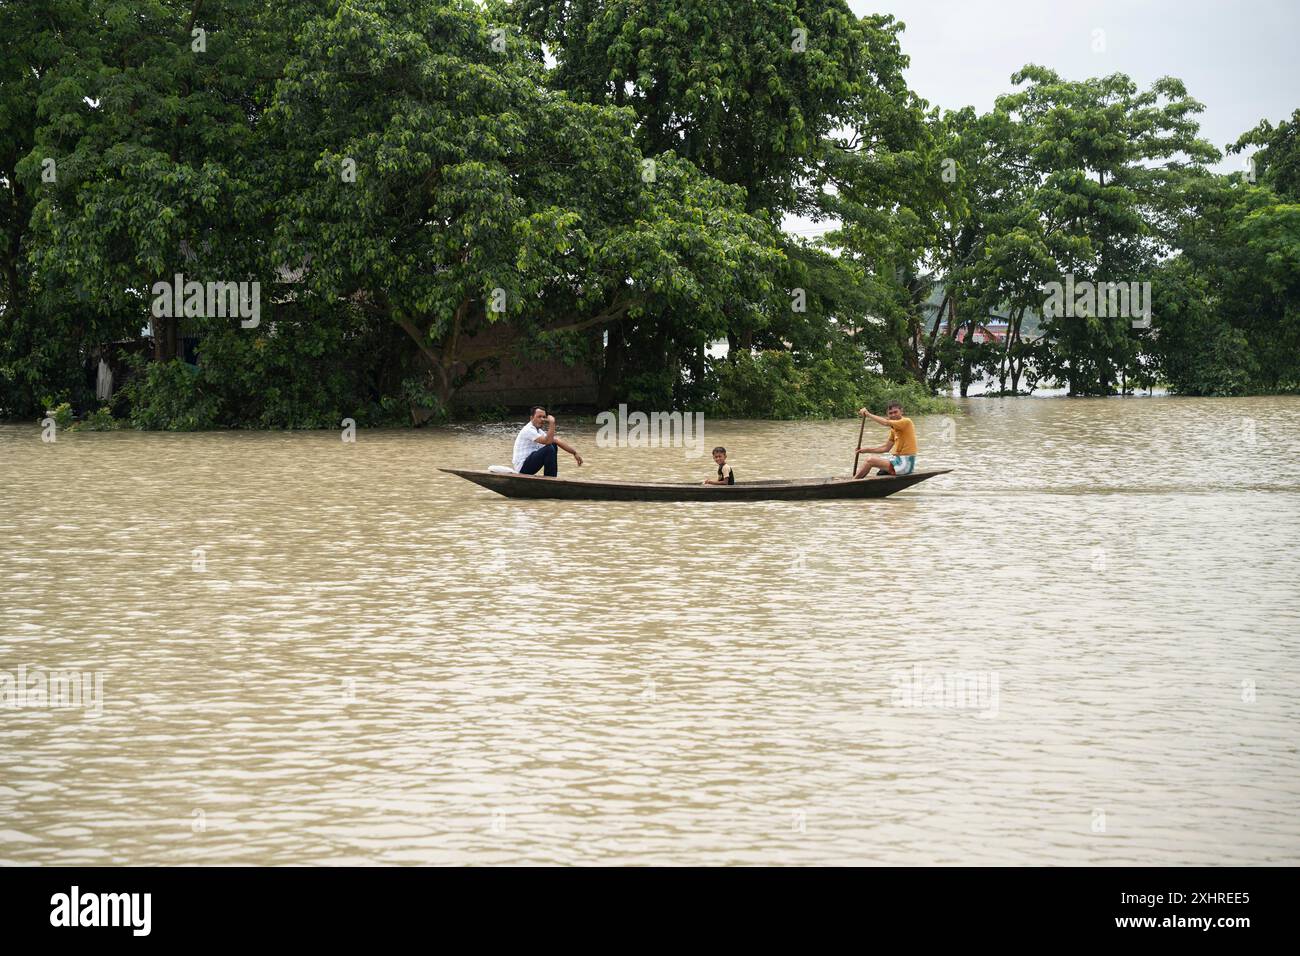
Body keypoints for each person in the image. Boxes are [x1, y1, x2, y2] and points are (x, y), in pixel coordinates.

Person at [512, 405, 583, 477]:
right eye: (539, 417)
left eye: (544, 417)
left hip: (529, 465)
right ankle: (550, 479)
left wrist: (574, 453)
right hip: (522, 468)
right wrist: (552, 423)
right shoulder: (528, 430)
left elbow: (556, 440)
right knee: (549, 448)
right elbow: (547, 441)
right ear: (531, 418)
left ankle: (551, 477)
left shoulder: (538, 431)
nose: (542, 419)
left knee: (553, 445)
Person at [855, 401, 917, 478]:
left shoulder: (906, 422)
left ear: (901, 411)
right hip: (897, 461)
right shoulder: (894, 429)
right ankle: (856, 480)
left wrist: (868, 414)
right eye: (890, 413)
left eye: (895, 412)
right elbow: (885, 448)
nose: (893, 415)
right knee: (873, 460)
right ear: (887, 414)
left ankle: (852, 483)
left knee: (870, 460)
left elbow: (885, 423)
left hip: (905, 464)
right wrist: (865, 450)